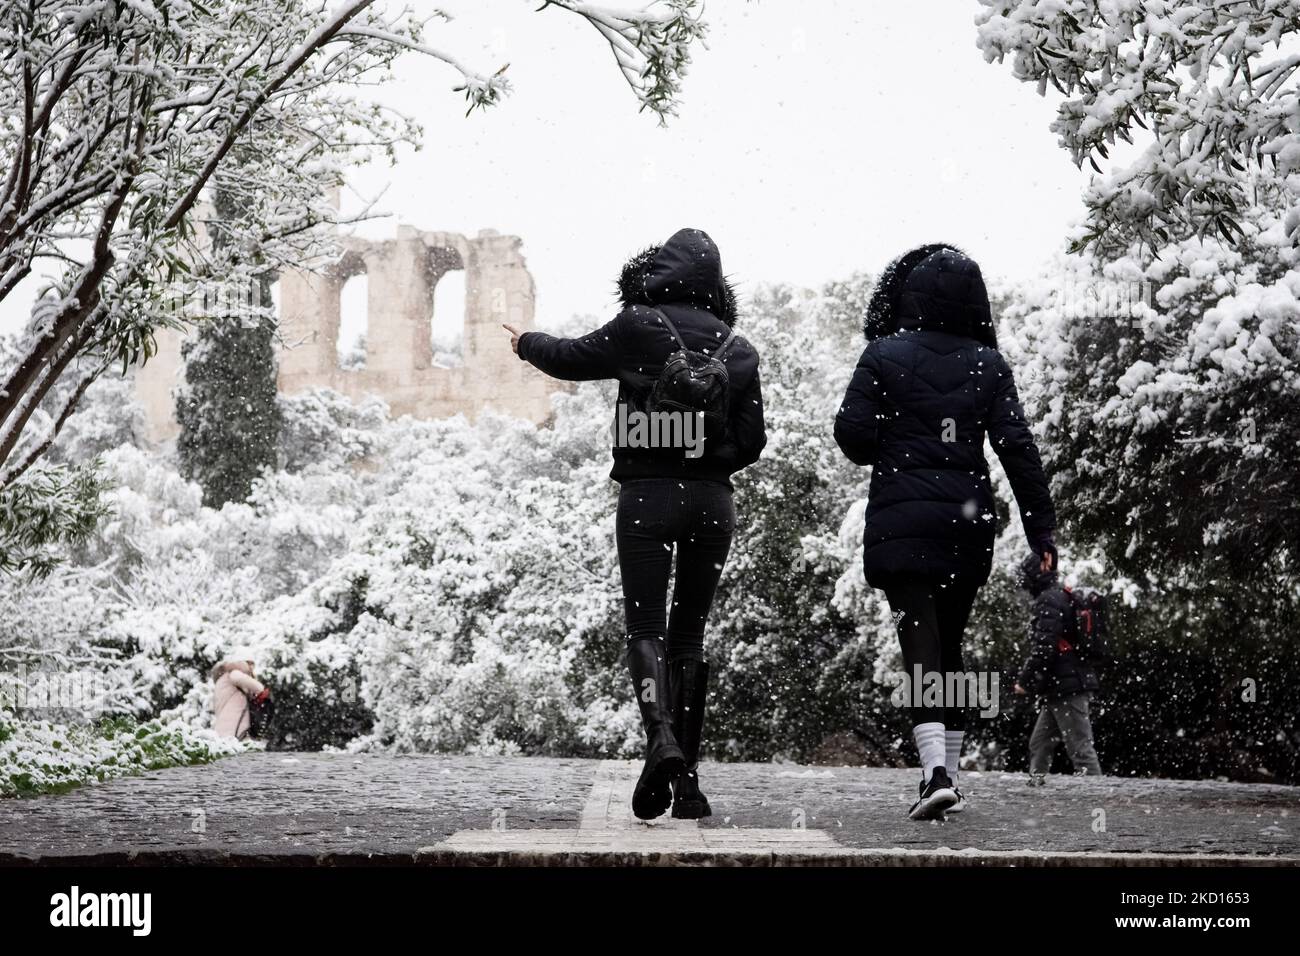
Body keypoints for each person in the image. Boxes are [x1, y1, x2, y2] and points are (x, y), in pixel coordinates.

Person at [507, 227, 766, 820]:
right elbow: (753, 442)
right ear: (717, 284)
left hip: (647, 497)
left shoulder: (638, 325)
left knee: (645, 627)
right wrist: (706, 456)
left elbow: (568, 358)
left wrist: (525, 341)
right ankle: (689, 785)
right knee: (690, 636)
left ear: (661, 270)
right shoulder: (740, 349)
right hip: (712, 503)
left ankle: (661, 740)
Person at [834, 244, 1057, 821]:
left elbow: (853, 437)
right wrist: (1042, 533)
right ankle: (948, 779)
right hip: (965, 524)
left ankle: (935, 773)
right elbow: (1018, 450)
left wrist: (892, 425)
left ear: (910, 296)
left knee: (921, 648)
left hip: (902, 523)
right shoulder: (989, 363)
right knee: (950, 650)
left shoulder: (882, 354)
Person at [1013, 552, 1103, 780]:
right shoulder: (1059, 596)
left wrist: (1025, 682)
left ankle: (1097, 798)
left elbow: (1044, 648)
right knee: (1040, 743)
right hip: (1060, 685)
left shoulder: (1048, 600)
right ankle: (1036, 790)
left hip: (1067, 685)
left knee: (1080, 749)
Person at [211, 658, 271, 740]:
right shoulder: (234, 673)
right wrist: (261, 689)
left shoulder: (223, 680)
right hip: (234, 722)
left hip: (225, 723)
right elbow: (252, 685)